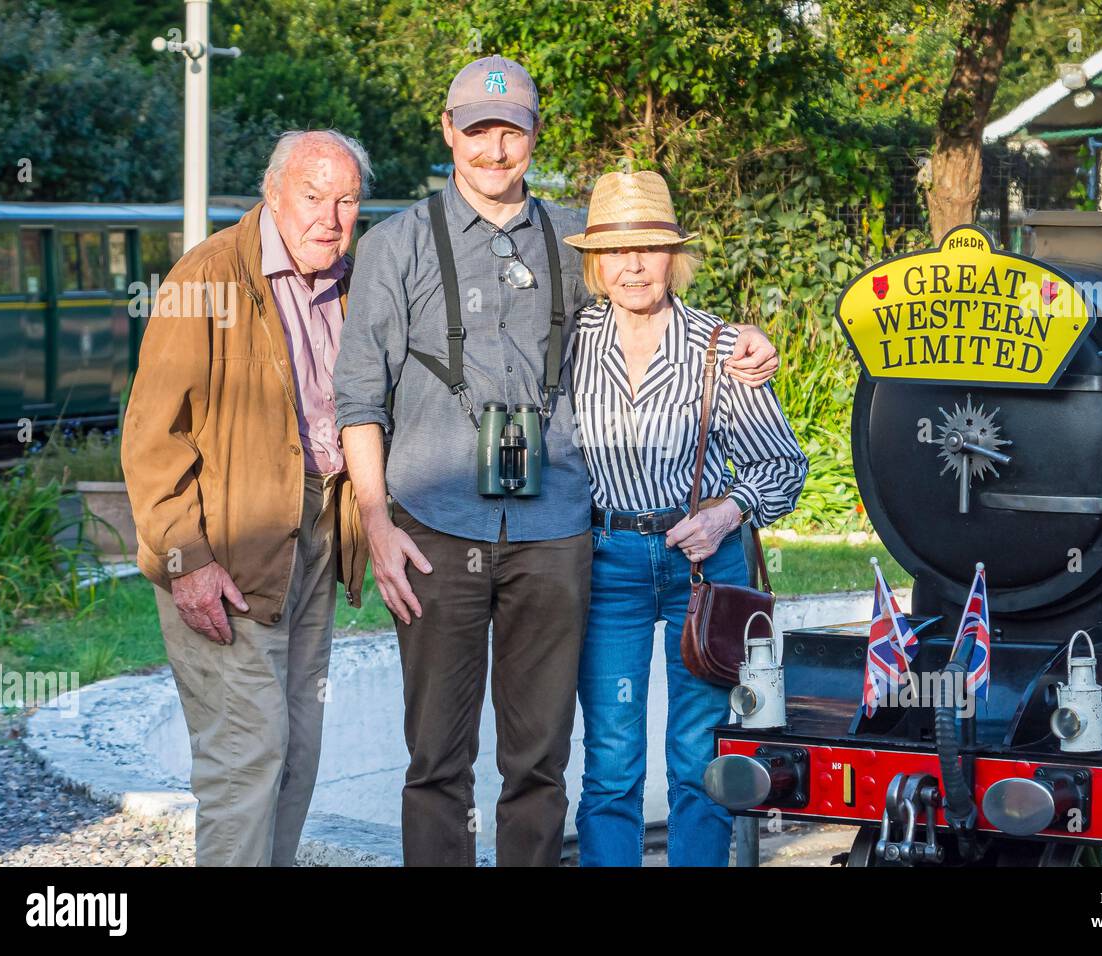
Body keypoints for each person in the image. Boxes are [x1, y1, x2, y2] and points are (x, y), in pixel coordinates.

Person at [333, 55, 779, 867]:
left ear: (535, 135)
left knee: (540, 759)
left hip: (557, 532)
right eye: (477, 132)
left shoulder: (574, 240)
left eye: (511, 131)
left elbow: (654, 304)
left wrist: (743, 339)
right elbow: (358, 400)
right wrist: (374, 521)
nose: (494, 150)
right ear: (448, 133)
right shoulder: (394, 247)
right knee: (437, 758)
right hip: (434, 526)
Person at [121, 130, 372, 866]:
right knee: (246, 752)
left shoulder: (355, 280)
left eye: (347, 200)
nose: (329, 217)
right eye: (312, 195)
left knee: (297, 744)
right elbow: (149, 434)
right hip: (223, 546)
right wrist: (185, 560)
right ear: (272, 193)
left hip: (315, 534)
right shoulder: (206, 277)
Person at [564, 170, 808, 866]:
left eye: (649, 247)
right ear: (594, 262)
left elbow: (782, 466)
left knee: (700, 752)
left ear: (677, 256)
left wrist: (727, 512)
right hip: (606, 558)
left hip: (703, 566)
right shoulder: (570, 342)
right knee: (611, 753)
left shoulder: (721, 346)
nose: (632, 264)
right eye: (614, 250)